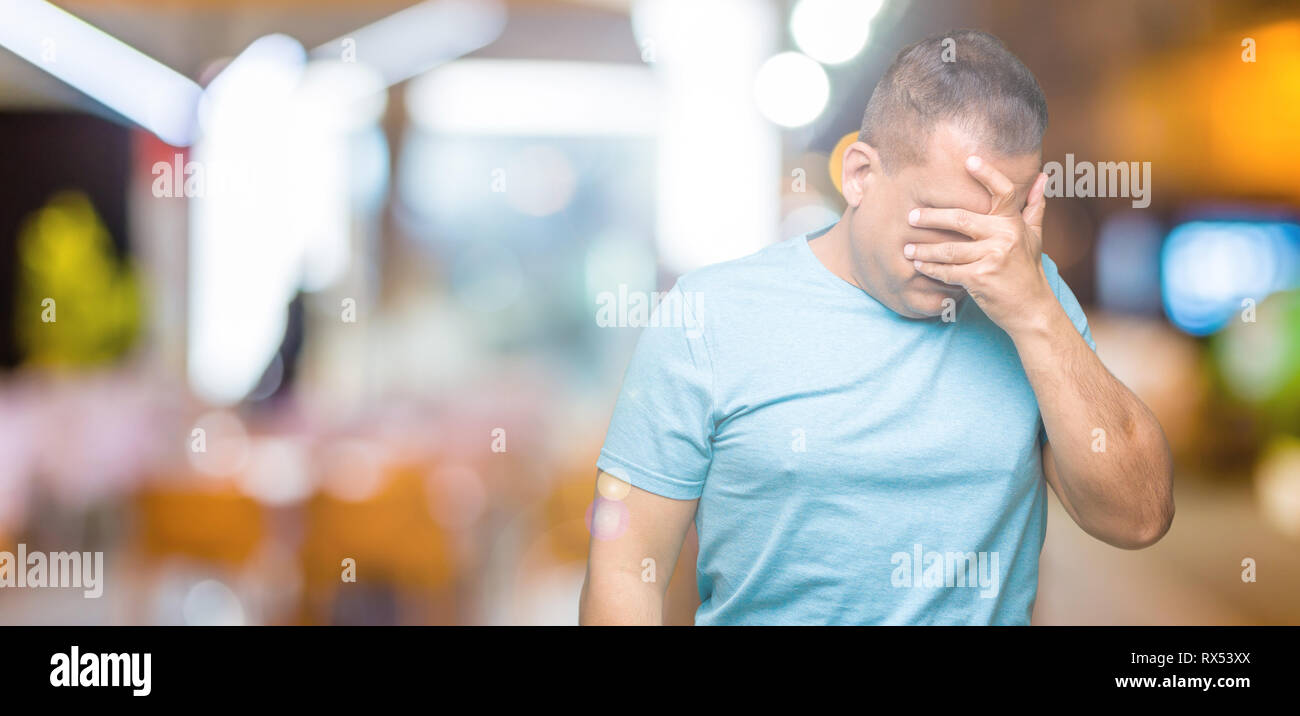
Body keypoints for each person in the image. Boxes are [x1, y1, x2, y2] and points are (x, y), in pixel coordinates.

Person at [580, 29, 1174, 625]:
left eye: (993, 229)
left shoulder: (1030, 298)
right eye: (943, 225)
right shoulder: (707, 316)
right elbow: (626, 568)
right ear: (860, 174)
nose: (966, 263)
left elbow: (1139, 517)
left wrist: (1036, 315)